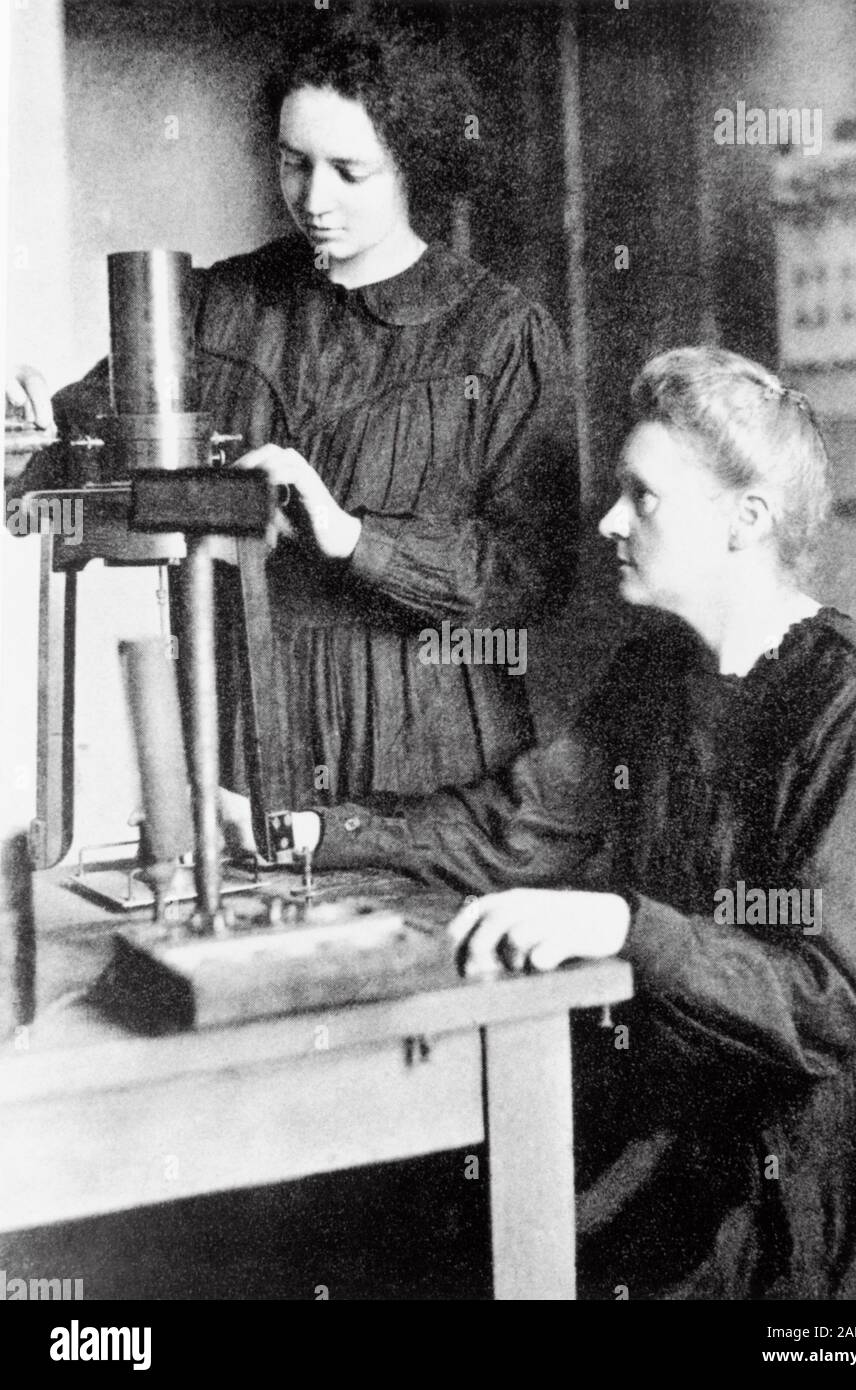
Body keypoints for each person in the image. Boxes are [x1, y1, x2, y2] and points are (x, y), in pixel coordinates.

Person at [244, 346, 856, 1299]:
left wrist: (621, 923)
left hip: (834, 1200)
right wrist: (309, 835)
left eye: (641, 496)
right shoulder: (655, 671)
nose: (610, 520)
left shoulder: (855, 700)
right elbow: (511, 827)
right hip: (698, 1156)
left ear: (744, 521)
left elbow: (825, 1002)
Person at [9, 19, 579, 807]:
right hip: (245, 739)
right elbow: (66, 470)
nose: (313, 199)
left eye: (349, 171)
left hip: (427, 747)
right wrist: (24, 447)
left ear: (410, 161)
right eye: (293, 163)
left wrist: (352, 537)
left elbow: (532, 574)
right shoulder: (212, 305)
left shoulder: (499, 333)